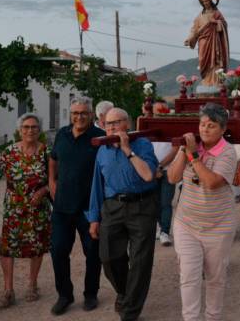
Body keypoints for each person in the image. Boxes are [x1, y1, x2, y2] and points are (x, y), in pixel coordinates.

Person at [168, 103, 239, 321]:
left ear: (222, 129)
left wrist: (194, 157)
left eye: (211, 125)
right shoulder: (190, 146)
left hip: (219, 225)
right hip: (187, 223)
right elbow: (172, 177)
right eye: (202, 124)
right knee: (188, 277)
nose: (204, 129)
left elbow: (211, 182)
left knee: (215, 279)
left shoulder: (227, 152)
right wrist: (184, 151)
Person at [87, 108, 159, 321]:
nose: (112, 127)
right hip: (113, 207)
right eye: (108, 124)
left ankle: (130, 312)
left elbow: (148, 175)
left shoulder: (143, 144)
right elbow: (97, 185)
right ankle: (125, 293)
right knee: (108, 256)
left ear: (127, 124)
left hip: (142, 206)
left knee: (140, 261)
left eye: (117, 122)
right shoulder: (102, 149)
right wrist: (93, 218)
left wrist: (127, 149)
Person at [48, 97, 106, 315]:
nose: (79, 117)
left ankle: (91, 294)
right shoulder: (62, 135)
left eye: (83, 113)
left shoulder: (100, 137)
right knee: (58, 251)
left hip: (89, 208)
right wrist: (51, 181)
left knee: (93, 252)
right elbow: (53, 159)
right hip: (62, 206)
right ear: (70, 114)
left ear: (91, 115)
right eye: (75, 113)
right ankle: (64, 295)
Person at [0, 113, 51, 308]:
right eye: (26, 127)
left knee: (36, 246)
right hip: (14, 208)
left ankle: (32, 284)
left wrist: (43, 190)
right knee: (8, 248)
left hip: (38, 207)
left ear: (39, 130)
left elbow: (55, 180)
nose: (30, 130)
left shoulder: (46, 152)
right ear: (19, 130)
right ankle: (8, 290)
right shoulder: (9, 152)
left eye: (34, 127)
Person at [184, 0, 229, 86]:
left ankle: (216, 80)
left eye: (207, 1)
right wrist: (189, 38)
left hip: (214, 40)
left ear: (211, 1)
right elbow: (194, 29)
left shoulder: (216, 13)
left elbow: (224, 24)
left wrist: (216, 22)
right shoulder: (200, 16)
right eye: (204, 1)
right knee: (202, 59)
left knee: (215, 59)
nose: (206, 3)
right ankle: (206, 79)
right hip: (203, 41)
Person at [152, 101, 179, 246]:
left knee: (166, 202)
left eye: (162, 109)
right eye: (157, 109)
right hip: (153, 170)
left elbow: (175, 149)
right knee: (155, 202)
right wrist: (154, 167)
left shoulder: (171, 127)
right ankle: (160, 227)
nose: (160, 111)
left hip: (168, 169)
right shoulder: (148, 126)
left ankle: (165, 231)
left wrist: (160, 165)